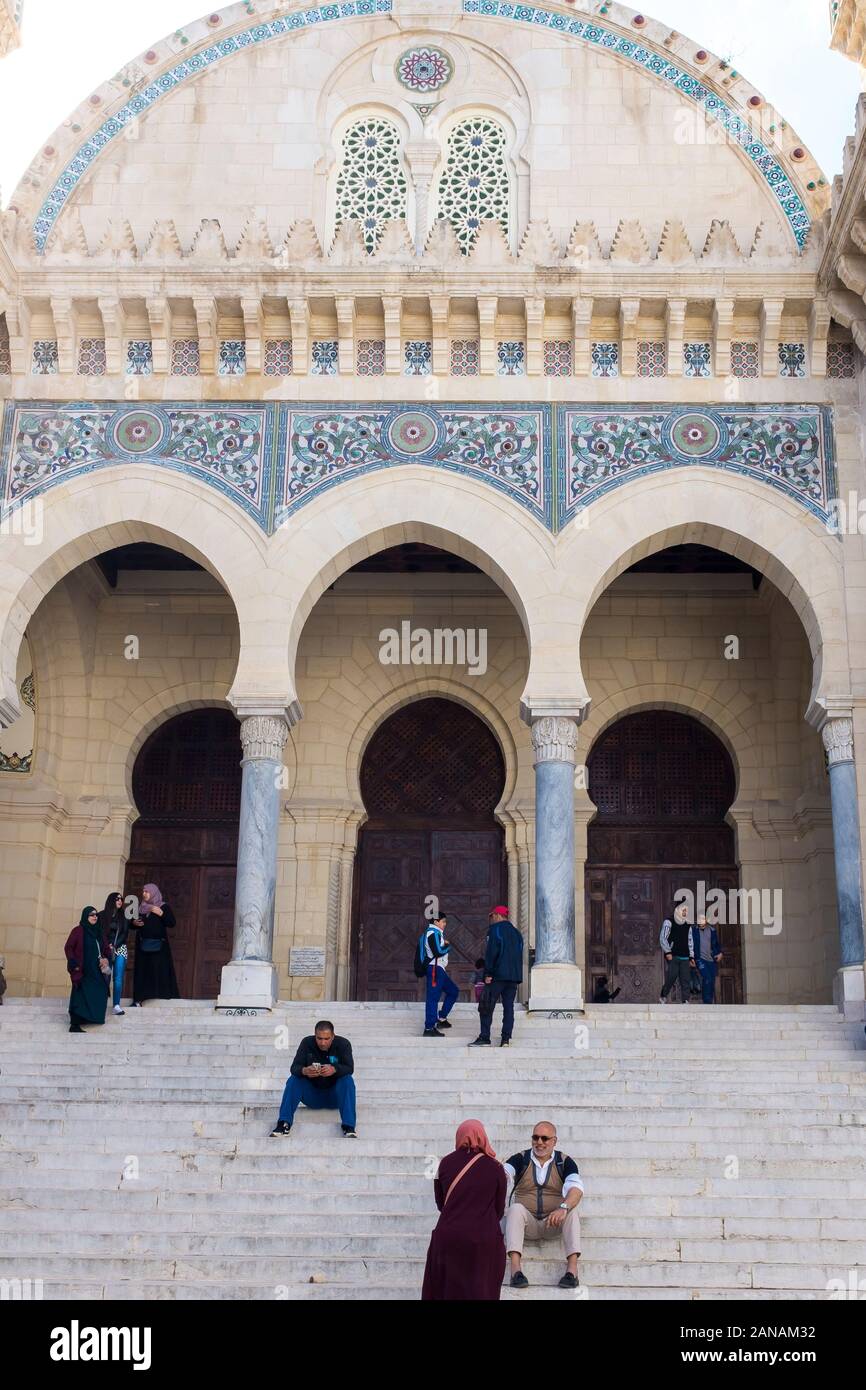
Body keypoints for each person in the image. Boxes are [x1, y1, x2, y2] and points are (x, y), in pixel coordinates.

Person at [421, 1119, 506, 1301]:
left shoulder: (445, 1163)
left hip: (449, 1237)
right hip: (483, 1240)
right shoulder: (496, 1167)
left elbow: (441, 1203)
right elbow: (499, 1209)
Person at [503, 1120, 584, 1289]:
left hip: (553, 1222)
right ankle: (516, 1272)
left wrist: (563, 1208)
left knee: (572, 1210)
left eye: (545, 1138)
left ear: (554, 1141)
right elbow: (503, 1174)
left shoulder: (565, 1162)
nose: (539, 1142)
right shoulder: (520, 1159)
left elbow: (576, 1189)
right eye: (535, 1137)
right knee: (515, 1209)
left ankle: (572, 1272)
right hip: (528, 1224)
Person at [270, 1020, 357, 1137]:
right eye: (319, 1038)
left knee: (347, 1080)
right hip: (312, 1097)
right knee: (294, 1079)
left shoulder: (343, 1044)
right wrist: (305, 1071)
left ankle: (349, 1126)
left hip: (335, 1097)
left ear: (333, 1036)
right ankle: (283, 1123)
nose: (322, 1043)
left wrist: (334, 1069)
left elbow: (349, 1068)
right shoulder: (307, 1043)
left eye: (326, 1039)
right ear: (314, 1035)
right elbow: (294, 1067)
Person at [471, 906, 523, 1047]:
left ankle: (485, 1037)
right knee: (508, 1008)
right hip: (513, 977)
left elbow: (491, 953)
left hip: (497, 976)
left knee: (486, 1005)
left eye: (492, 916)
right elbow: (519, 955)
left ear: (498, 915)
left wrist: (488, 973)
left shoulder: (495, 930)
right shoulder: (517, 933)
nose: (491, 919)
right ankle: (505, 1039)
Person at [130, 883, 178, 1007]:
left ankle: (160, 997)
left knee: (158, 970)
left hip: (159, 947)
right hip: (142, 946)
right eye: (143, 892)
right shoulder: (141, 907)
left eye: (147, 892)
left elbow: (171, 922)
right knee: (143, 971)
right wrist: (134, 923)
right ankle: (139, 999)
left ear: (154, 892)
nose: (144, 894)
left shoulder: (163, 906)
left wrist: (160, 913)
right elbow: (130, 923)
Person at [64, 906, 111, 1033]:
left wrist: (106, 959)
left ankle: (92, 1017)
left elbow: (106, 949)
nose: (95, 916)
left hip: (97, 969)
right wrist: (72, 961)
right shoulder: (78, 931)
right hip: (83, 969)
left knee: (100, 990)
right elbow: (68, 947)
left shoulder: (99, 932)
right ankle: (75, 1024)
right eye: (91, 915)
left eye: (96, 914)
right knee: (80, 994)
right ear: (85, 916)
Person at [421, 913, 459, 1038]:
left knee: (453, 991)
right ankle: (429, 1027)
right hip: (434, 969)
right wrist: (447, 946)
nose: (445, 924)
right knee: (433, 998)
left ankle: (441, 1018)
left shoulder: (436, 933)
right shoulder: (433, 933)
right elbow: (438, 951)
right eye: (443, 921)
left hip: (439, 969)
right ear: (436, 922)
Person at [659, 902, 696, 1004]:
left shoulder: (688, 924)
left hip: (685, 957)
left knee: (685, 979)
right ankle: (663, 995)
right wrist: (668, 952)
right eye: (683, 910)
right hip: (673, 955)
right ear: (678, 910)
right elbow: (663, 938)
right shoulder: (669, 921)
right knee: (672, 977)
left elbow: (690, 941)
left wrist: (691, 956)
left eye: (686, 911)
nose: (685, 912)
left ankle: (685, 1000)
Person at [99, 890, 128, 1016]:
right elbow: (99, 933)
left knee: (118, 978)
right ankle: (102, 1002)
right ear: (111, 900)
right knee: (106, 976)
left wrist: (115, 946)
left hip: (120, 948)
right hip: (106, 950)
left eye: (121, 899)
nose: (120, 901)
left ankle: (116, 1005)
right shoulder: (101, 915)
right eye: (117, 899)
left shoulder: (124, 917)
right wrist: (107, 946)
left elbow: (124, 933)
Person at [693, 912, 723, 1004]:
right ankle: (706, 1002)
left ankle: (709, 1001)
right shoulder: (694, 931)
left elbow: (716, 945)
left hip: (711, 960)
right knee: (707, 978)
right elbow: (690, 944)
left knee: (712, 980)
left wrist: (720, 953)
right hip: (700, 959)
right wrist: (691, 958)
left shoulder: (712, 930)